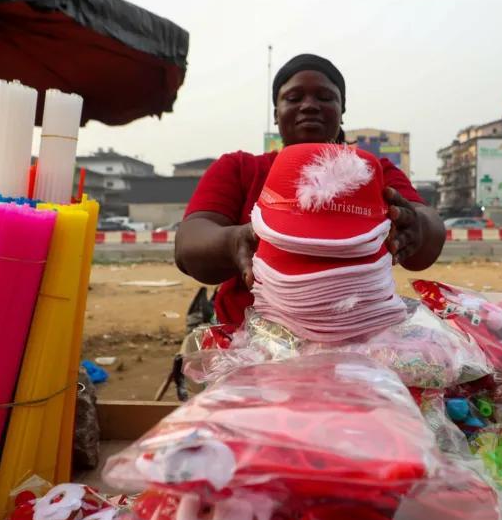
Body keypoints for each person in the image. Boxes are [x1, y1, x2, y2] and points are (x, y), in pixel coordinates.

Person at [175, 54, 446, 325]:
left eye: (325, 97)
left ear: (341, 111)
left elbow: (428, 229)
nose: (309, 106)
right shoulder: (240, 169)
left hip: (356, 334)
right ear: (276, 113)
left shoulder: (372, 171)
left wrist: (417, 228)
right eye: (294, 98)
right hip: (248, 339)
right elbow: (189, 243)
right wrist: (233, 242)